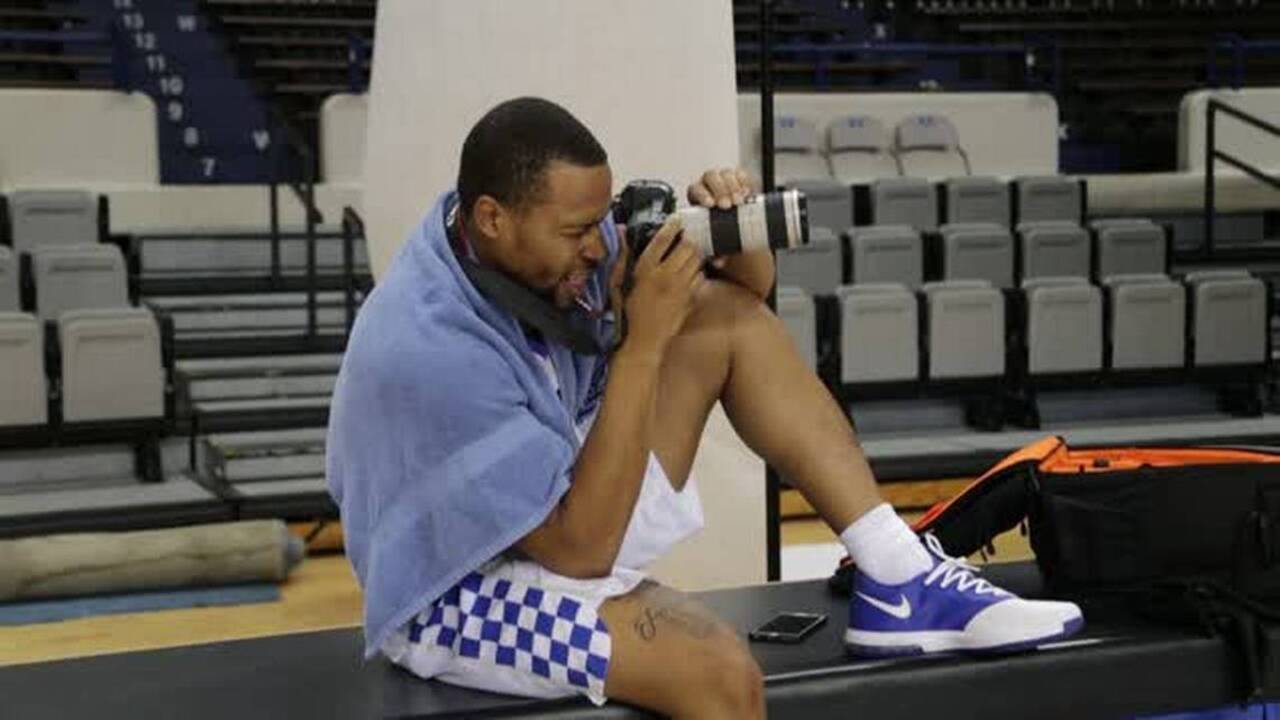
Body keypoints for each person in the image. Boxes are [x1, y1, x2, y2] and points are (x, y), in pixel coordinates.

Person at [327, 97, 1083, 719]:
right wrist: (643, 344)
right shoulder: (426, 345)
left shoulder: (529, 251)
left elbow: (739, 309)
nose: (598, 248)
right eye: (576, 232)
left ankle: (897, 573)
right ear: (492, 217)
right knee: (722, 674)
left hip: (560, 508)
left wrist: (738, 231)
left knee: (724, 320)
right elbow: (580, 549)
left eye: (599, 224)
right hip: (459, 588)